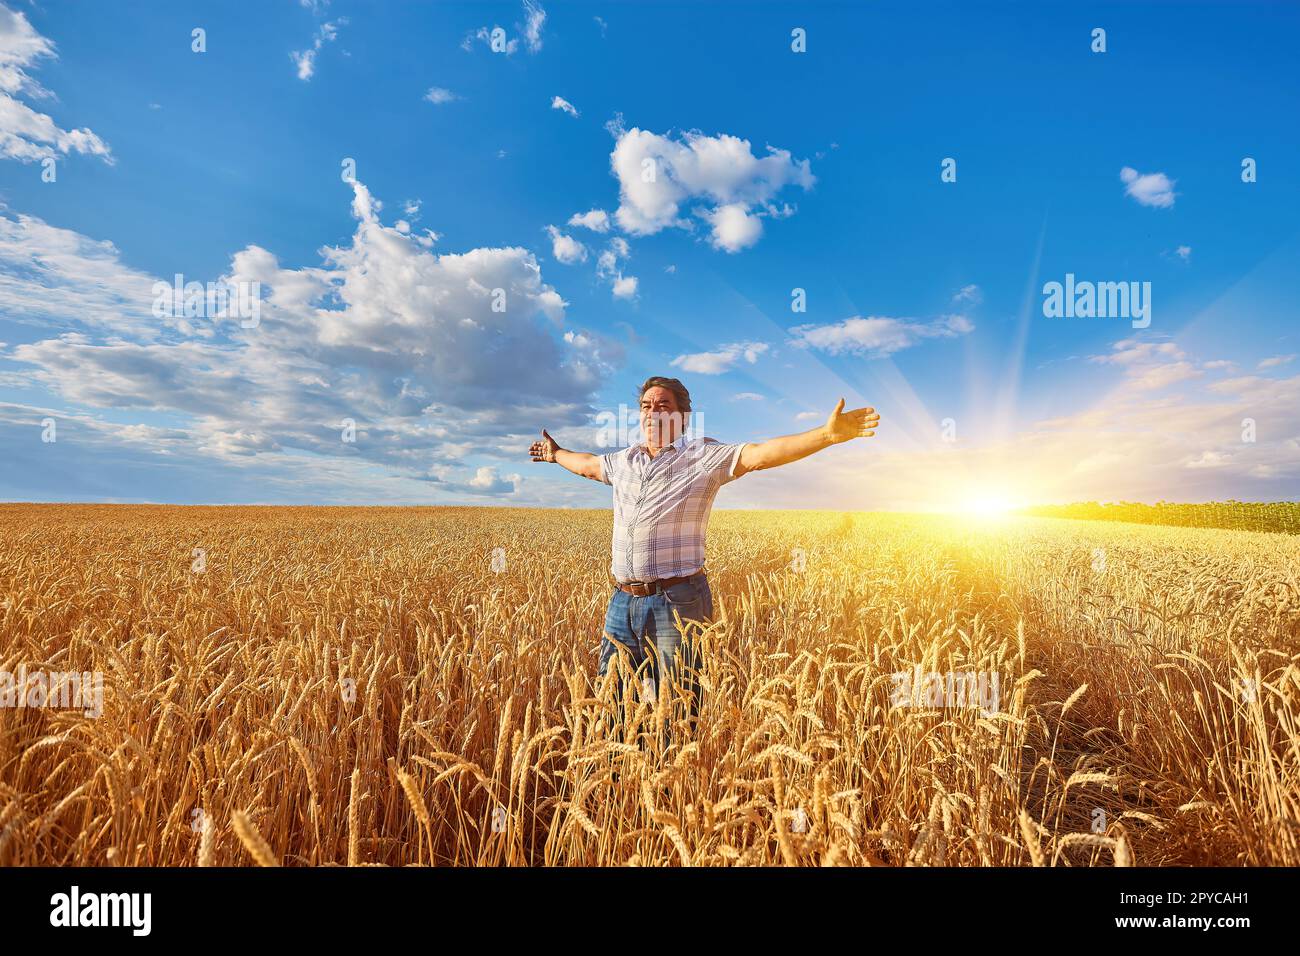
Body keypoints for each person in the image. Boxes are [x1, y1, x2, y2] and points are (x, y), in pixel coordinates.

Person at [528, 375, 879, 742]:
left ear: (682, 418)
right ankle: (618, 780)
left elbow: (759, 455)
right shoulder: (624, 462)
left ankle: (669, 787)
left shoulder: (701, 458)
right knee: (612, 701)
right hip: (622, 601)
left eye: (663, 406)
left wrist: (825, 435)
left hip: (676, 601)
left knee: (676, 708)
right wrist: (554, 454)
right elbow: (585, 464)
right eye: (646, 406)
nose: (652, 412)